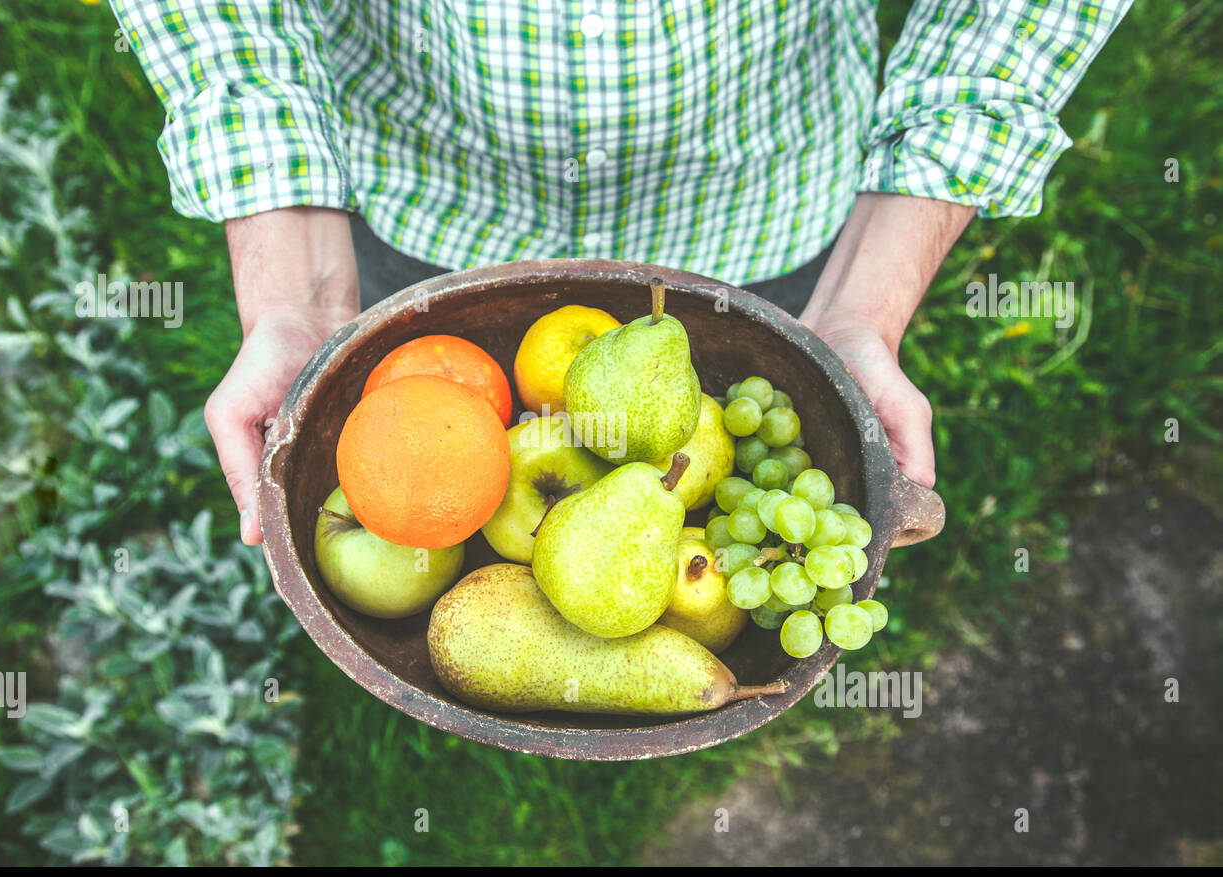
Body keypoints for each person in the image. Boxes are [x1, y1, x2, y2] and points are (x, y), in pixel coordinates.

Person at [110, 0, 1130, 545]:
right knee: (421, 437)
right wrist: (299, 286)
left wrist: (868, 293)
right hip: (423, 192)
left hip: (757, 208)